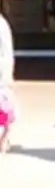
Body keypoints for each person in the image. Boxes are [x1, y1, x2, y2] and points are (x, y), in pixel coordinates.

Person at [0, 9, 16, 153]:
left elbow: (7, 53)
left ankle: (4, 137)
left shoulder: (1, 25)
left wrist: (6, 75)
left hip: (1, 73)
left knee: (4, 108)